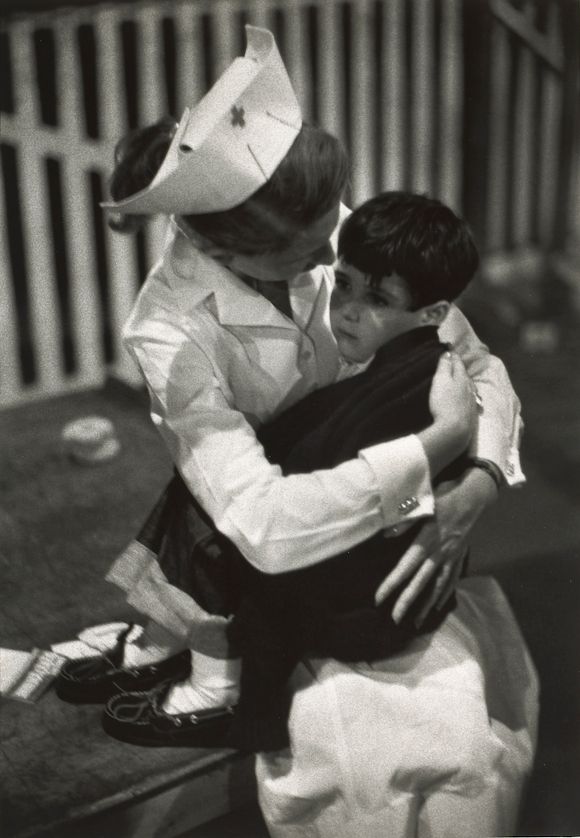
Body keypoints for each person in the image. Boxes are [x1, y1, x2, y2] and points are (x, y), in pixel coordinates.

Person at [55, 26, 528, 788]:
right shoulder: (168, 333)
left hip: (365, 491)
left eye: (331, 229)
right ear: (226, 255)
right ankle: (181, 648)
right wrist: (434, 447)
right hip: (297, 511)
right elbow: (264, 524)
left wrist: (479, 479)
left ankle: (192, 653)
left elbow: (478, 365)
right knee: (197, 512)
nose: (329, 259)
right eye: (308, 253)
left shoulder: (329, 229)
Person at [222, 190, 488, 753]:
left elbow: (319, 495)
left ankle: (254, 717)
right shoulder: (416, 360)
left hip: (372, 612)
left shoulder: (419, 383)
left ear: (434, 314)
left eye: (377, 299)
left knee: (256, 562)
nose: (346, 309)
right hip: (396, 587)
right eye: (343, 283)